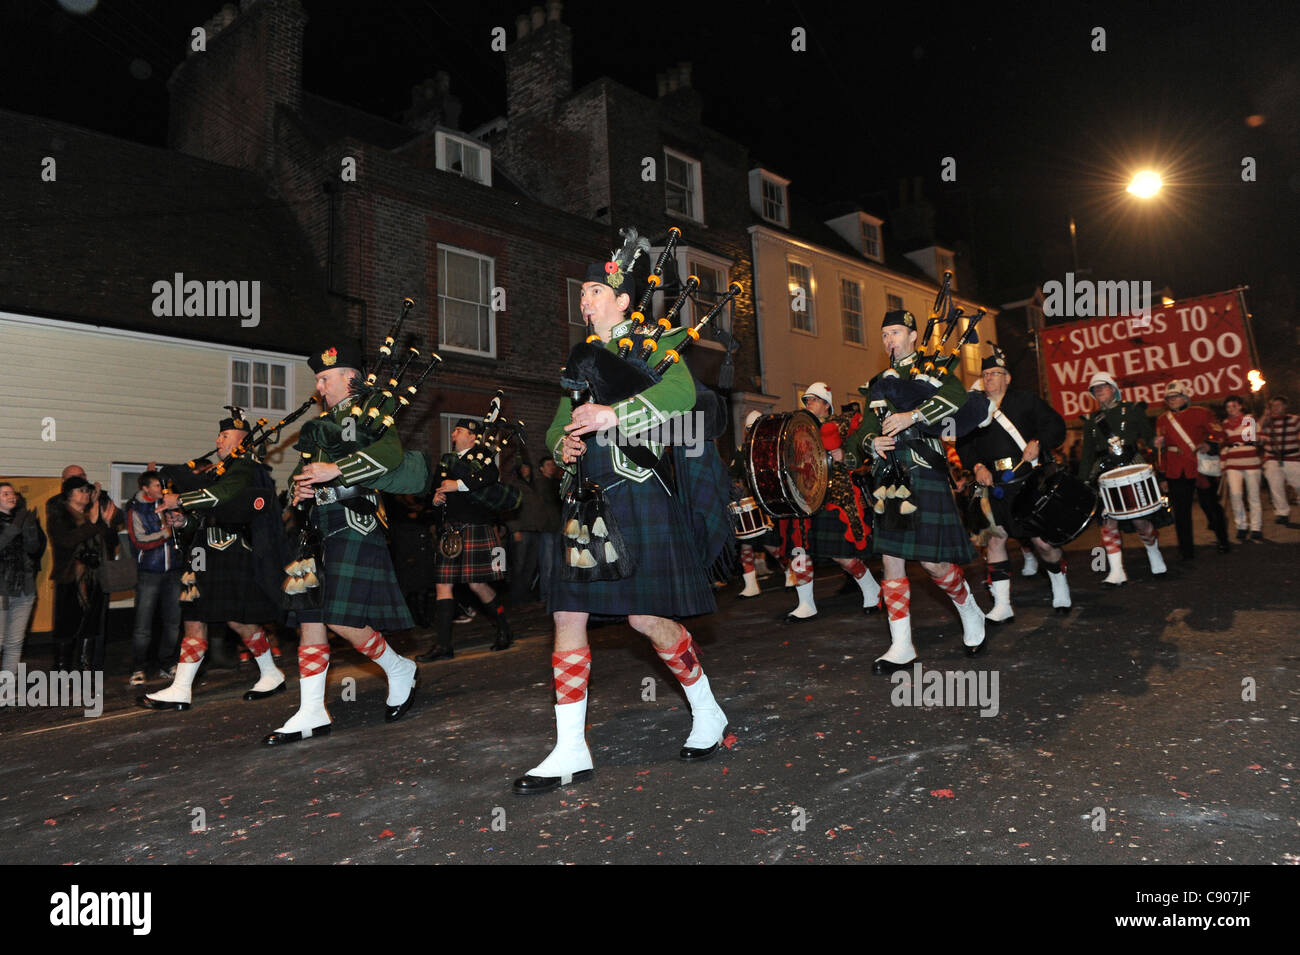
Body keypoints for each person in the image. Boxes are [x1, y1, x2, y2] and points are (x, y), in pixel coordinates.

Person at [512, 232, 731, 795]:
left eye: (594, 290)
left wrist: (616, 415)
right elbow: (560, 422)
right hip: (588, 500)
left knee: (646, 620)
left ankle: (707, 709)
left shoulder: (657, 346)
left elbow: (682, 396)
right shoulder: (580, 358)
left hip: (638, 492)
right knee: (567, 615)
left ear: (624, 300)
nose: (584, 300)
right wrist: (564, 446)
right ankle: (570, 747)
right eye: (582, 291)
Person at [264, 342, 418, 744]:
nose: (319, 387)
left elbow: (390, 455)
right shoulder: (320, 425)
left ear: (350, 378)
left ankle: (398, 667)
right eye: (317, 379)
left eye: (324, 378)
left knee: (341, 618)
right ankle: (312, 710)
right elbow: (303, 471)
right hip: (318, 527)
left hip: (355, 523)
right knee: (310, 618)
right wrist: (297, 491)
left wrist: (336, 468)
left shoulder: (371, 416)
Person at [851, 309, 987, 673]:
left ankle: (969, 609)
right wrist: (871, 442)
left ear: (912, 335)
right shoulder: (878, 382)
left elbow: (958, 398)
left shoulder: (934, 369)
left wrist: (913, 416)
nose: (889, 340)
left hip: (923, 469)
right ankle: (901, 645)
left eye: (895, 332)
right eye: (884, 335)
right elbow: (863, 428)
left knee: (932, 562)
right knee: (892, 558)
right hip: (890, 477)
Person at [140, 412, 287, 710]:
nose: (218, 440)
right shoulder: (218, 473)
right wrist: (183, 522)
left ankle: (271, 673)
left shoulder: (245, 469)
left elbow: (223, 496)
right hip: (202, 557)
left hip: (231, 554)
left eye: (225, 436)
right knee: (194, 618)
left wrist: (182, 499)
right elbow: (203, 517)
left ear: (242, 441)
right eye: (219, 436)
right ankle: (181, 688)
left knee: (240, 620)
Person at [956, 349, 1073, 618]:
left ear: (1007, 378)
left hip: (1027, 481)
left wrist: (1039, 442)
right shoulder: (975, 409)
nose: (989, 379)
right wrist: (977, 466)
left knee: (1042, 542)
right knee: (995, 541)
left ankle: (1059, 581)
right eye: (985, 375)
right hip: (994, 484)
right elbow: (964, 443)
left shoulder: (1026, 401)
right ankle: (1002, 605)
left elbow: (1055, 425)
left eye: (994, 374)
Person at [417, 417, 516, 661]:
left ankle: (504, 628)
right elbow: (436, 487)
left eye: (458, 430)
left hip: (475, 526)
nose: (453, 434)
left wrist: (457, 484)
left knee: (477, 584)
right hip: (451, 530)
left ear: (472, 436)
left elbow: (490, 477)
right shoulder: (446, 460)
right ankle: (443, 645)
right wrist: (435, 499)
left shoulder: (482, 456)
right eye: (454, 431)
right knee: (443, 584)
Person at [781, 382, 880, 622]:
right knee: (799, 549)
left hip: (836, 497)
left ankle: (871, 588)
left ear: (826, 404)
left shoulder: (844, 424)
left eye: (814, 400)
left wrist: (843, 456)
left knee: (842, 555)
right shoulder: (799, 432)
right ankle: (806, 603)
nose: (808, 404)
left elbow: (861, 461)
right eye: (806, 400)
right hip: (806, 499)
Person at [1077, 373, 1169, 584]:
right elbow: (1087, 454)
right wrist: (1083, 481)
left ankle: (1154, 553)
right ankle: (1117, 571)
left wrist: (1155, 441)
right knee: (1108, 522)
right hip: (1104, 473)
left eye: (1103, 387)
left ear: (1113, 388)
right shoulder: (1091, 421)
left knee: (1140, 520)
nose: (1099, 392)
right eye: (1095, 389)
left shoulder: (1134, 410)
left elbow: (1147, 436)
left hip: (1131, 467)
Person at [1153, 380, 1230, 558]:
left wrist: (1209, 445)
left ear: (1185, 396)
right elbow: (1160, 452)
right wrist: (1163, 476)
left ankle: (1223, 540)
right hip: (1175, 469)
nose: (1172, 400)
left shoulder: (1202, 413)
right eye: (1169, 397)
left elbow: (1221, 435)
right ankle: (1186, 550)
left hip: (1199, 467)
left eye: (1176, 396)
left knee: (1210, 506)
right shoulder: (1162, 419)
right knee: (1181, 512)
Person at [47, 475, 115, 670]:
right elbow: (65, 541)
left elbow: (110, 545)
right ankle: (62, 670)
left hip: (94, 578)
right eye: (81, 491)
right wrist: (92, 524)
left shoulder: (92, 515)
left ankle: (85, 668)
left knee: (90, 627)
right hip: (70, 578)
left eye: (88, 491)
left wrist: (106, 525)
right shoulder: (60, 516)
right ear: (69, 495)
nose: (86, 495)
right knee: (66, 628)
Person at [126, 471, 182, 685]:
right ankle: (138, 668)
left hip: (173, 570)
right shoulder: (135, 510)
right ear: (145, 488)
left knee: (173, 622)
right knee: (143, 623)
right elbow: (139, 541)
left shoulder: (171, 504)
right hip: (149, 572)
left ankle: (167, 663)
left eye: (163, 484)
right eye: (157, 485)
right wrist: (165, 533)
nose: (162, 488)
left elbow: (182, 531)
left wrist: (177, 522)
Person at [0, 483, 47, 673]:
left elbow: (34, 551)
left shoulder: (23, 518)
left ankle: (6, 692)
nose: (11, 496)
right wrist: (17, 524)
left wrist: (30, 529)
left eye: (12, 493)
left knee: (15, 643)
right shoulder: (16, 521)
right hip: (1, 590)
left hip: (24, 590)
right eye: (4, 493)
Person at [1220, 395, 1264, 542]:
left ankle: (1256, 527)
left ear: (1240, 406)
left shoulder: (1249, 419)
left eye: (1233, 406)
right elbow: (1224, 444)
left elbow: (1254, 438)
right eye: (1228, 407)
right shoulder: (1225, 424)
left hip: (1251, 461)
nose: (1230, 409)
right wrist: (1223, 464)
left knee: (1253, 495)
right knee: (1236, 495)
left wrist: (1253, 429)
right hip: (1233, 463)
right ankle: (1241, 526)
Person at [1260, 395, 1299, 527]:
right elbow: (1251, 434)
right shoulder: (1267, 422)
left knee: (1298, 484)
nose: (1275, 408)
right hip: (1272, 459)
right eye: (1273, 406)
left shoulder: (1294, 420)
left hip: (1292, 458)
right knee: (1275, 486)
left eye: (1278, 405)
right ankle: (1282, 512)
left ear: (1285, 406)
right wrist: (1264, 416)